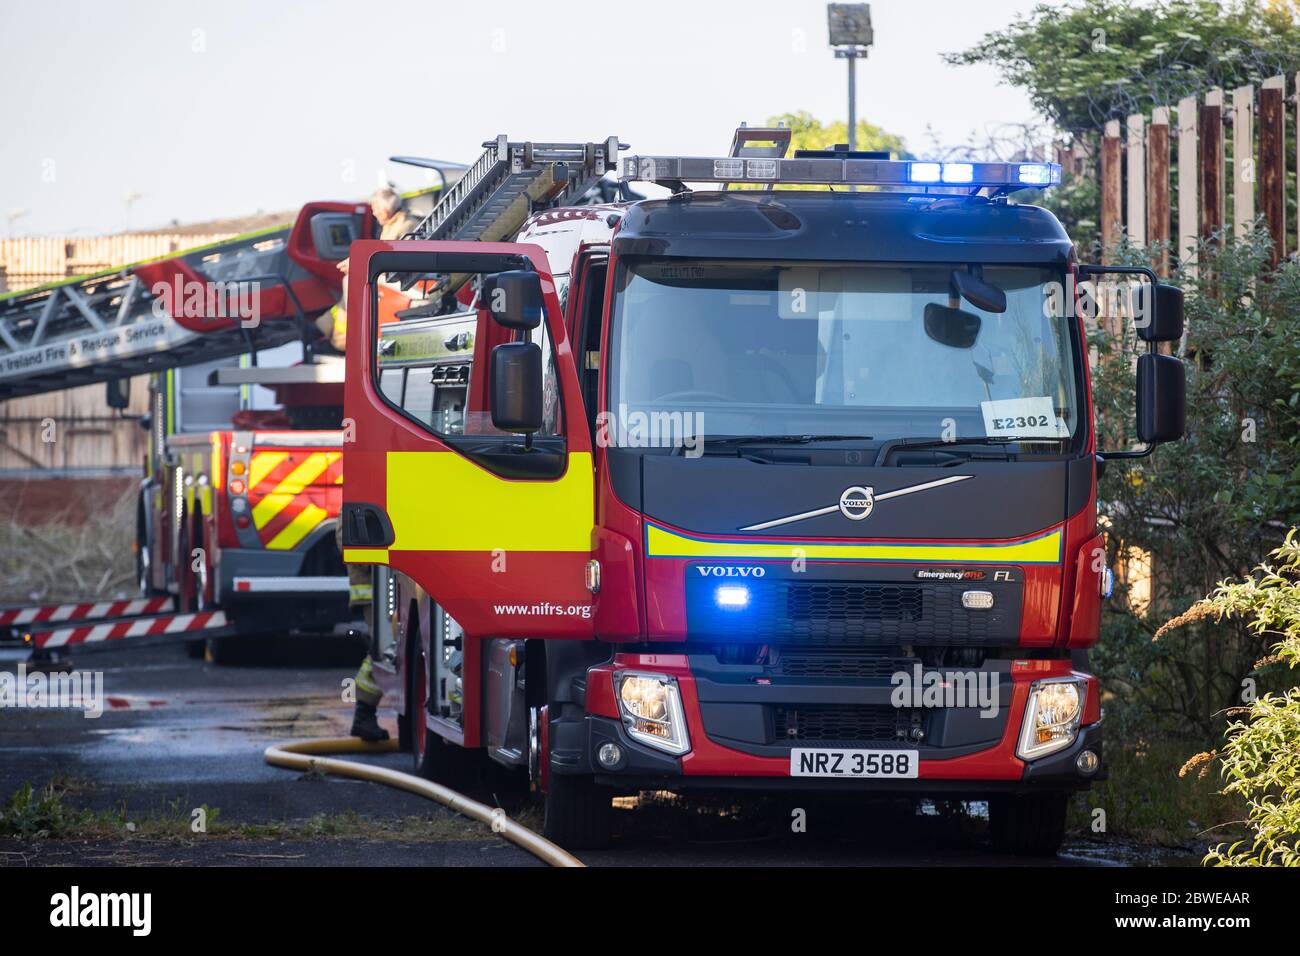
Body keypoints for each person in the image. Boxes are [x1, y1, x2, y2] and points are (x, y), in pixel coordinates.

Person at [319, 187, 421, 352]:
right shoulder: (395, 224)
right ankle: (327, 329)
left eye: (375, 208)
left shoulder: (406, 226)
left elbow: (391, 257)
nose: (373, 213)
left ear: (386, 209)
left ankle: (341, 338)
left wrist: (358, 264)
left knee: (350, 280)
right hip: (395, 276)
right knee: (346, 291)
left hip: (404, 281)